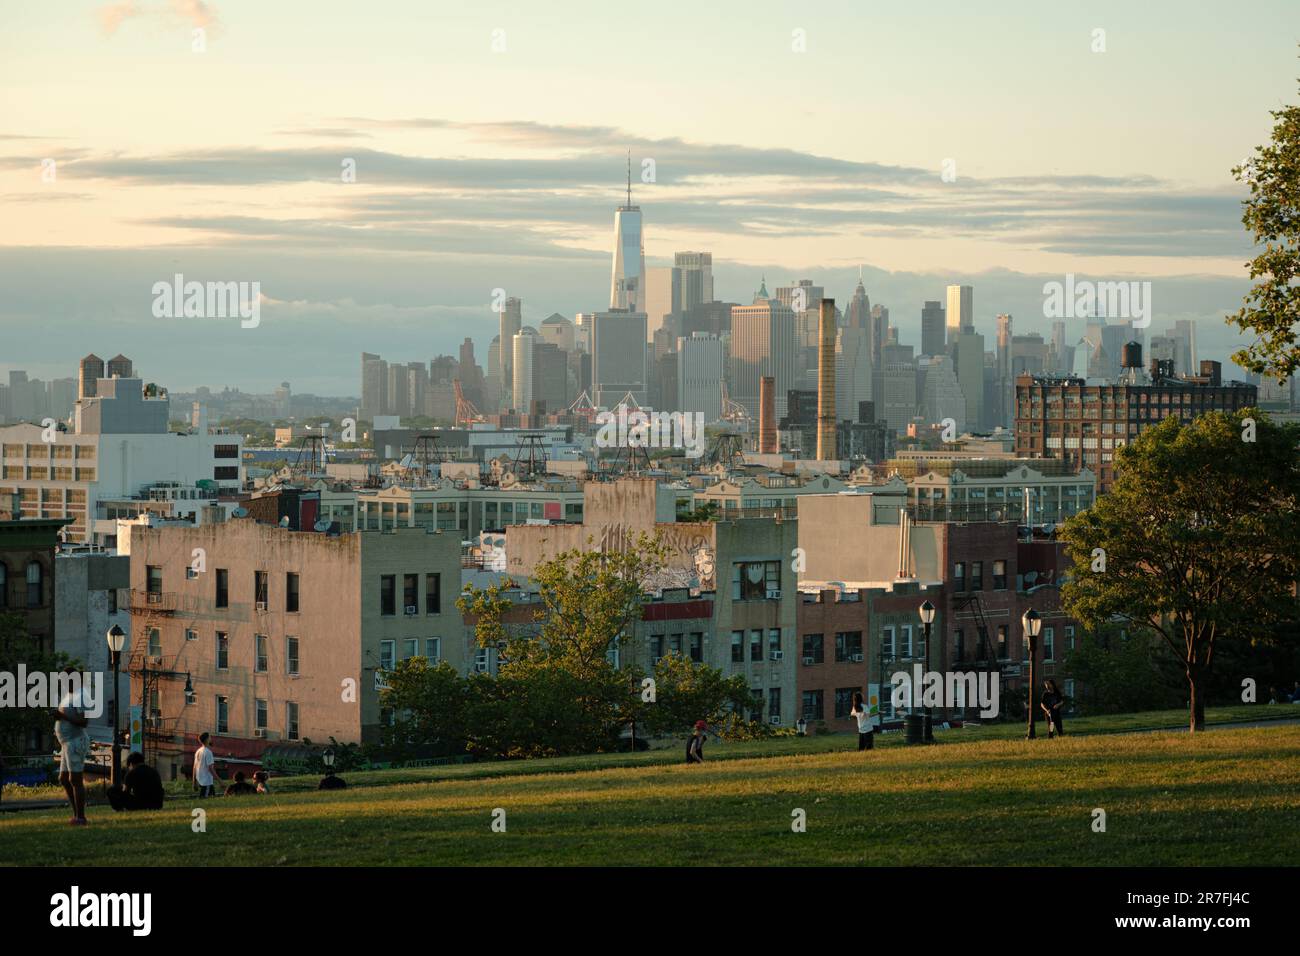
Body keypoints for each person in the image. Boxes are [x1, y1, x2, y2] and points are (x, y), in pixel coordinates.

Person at [53, 667, 90, 826]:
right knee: (63, 778)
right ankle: (76, 813)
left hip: (76, 742)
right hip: (66, 743)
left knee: (75, 779)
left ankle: (81, 817)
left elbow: (83, 722)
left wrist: (62, 716)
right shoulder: (70, 695)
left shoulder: (82, 695)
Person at [192, 732, 221, 797]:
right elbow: (210, 769)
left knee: (209, 802)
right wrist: (220, 781)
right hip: (206, 782)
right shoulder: (208, 752)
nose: (211, 738)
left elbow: (194, 768)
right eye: (210, 737)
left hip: (200, 781)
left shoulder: (198, 751)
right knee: (206, 801)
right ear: (207, 739)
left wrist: (194, 782)